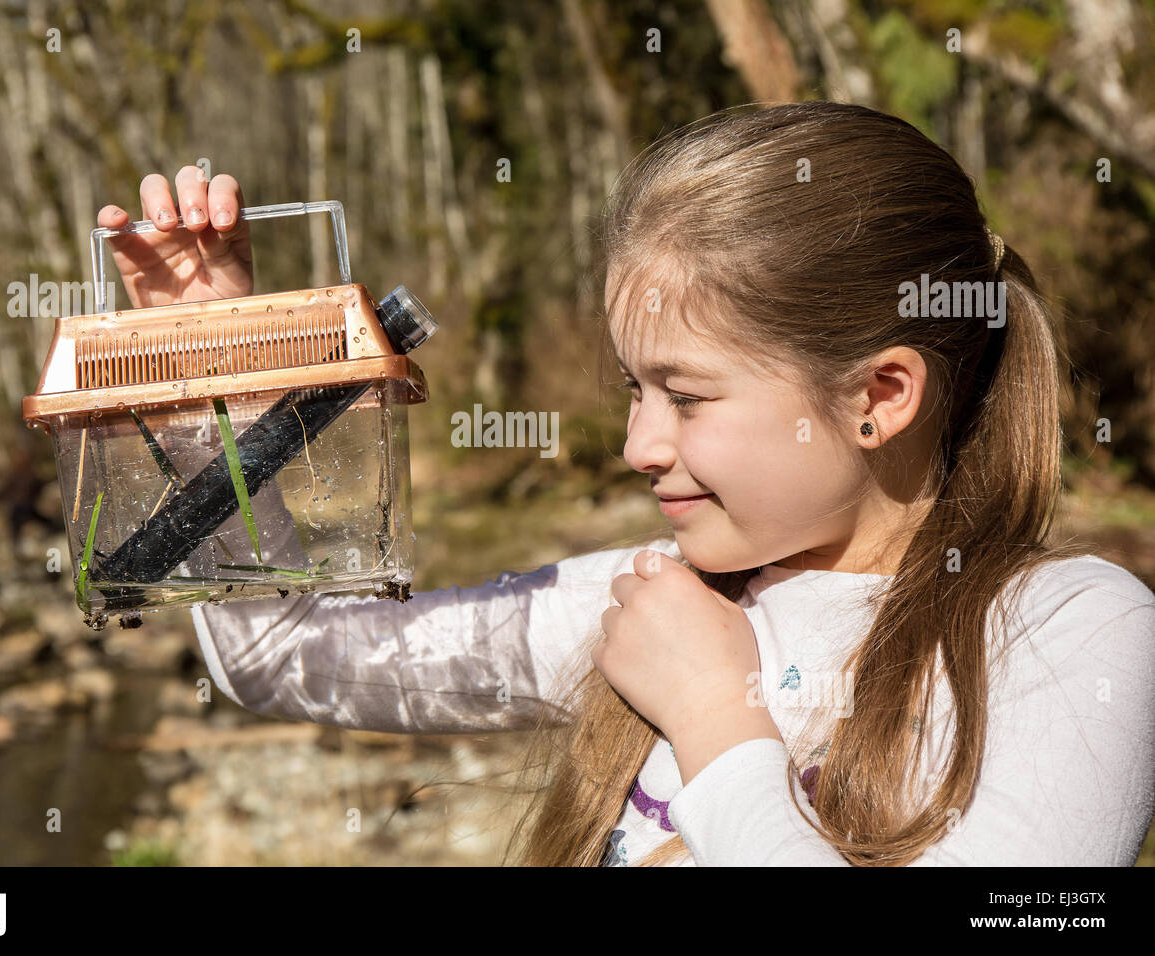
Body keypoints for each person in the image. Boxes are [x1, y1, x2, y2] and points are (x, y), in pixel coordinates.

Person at [96, 102, 1155, 867]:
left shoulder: (1072, 631)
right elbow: (292, 653)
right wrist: (212, 371)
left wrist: (713, 719)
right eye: (631, 389)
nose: (638, 443)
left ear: (879, 394)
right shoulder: (649, 600)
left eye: (687, 396)